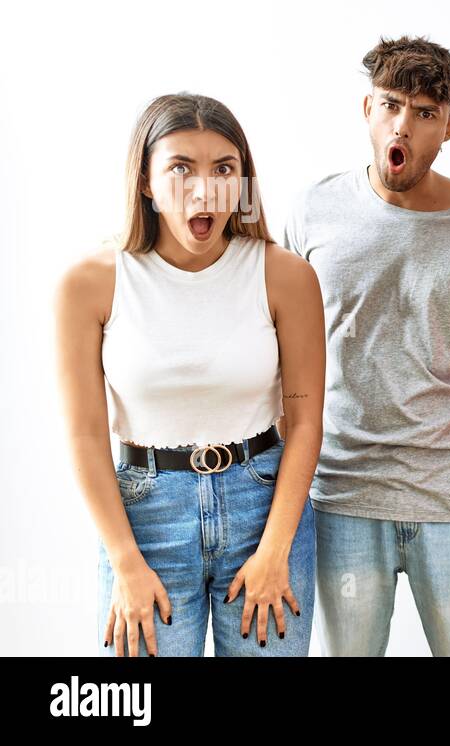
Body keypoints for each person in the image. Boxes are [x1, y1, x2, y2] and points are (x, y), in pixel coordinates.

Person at [284, 36, 450, 656]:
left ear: (449, 126)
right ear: (366, 108)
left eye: (425, 113)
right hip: (341, 493)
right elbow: (282, 355)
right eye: (392, 104)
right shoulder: (313, 211)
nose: (404, 125)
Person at [55, 93, 324, 656]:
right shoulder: (90, 284)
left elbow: (303, 423)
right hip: (144, 517)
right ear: (146, 181)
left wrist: (276, 550)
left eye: (224, 169)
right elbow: (83, 435)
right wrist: (125, 563)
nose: (205, 190)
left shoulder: (286, 277)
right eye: (181, 168)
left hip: (263, 505)